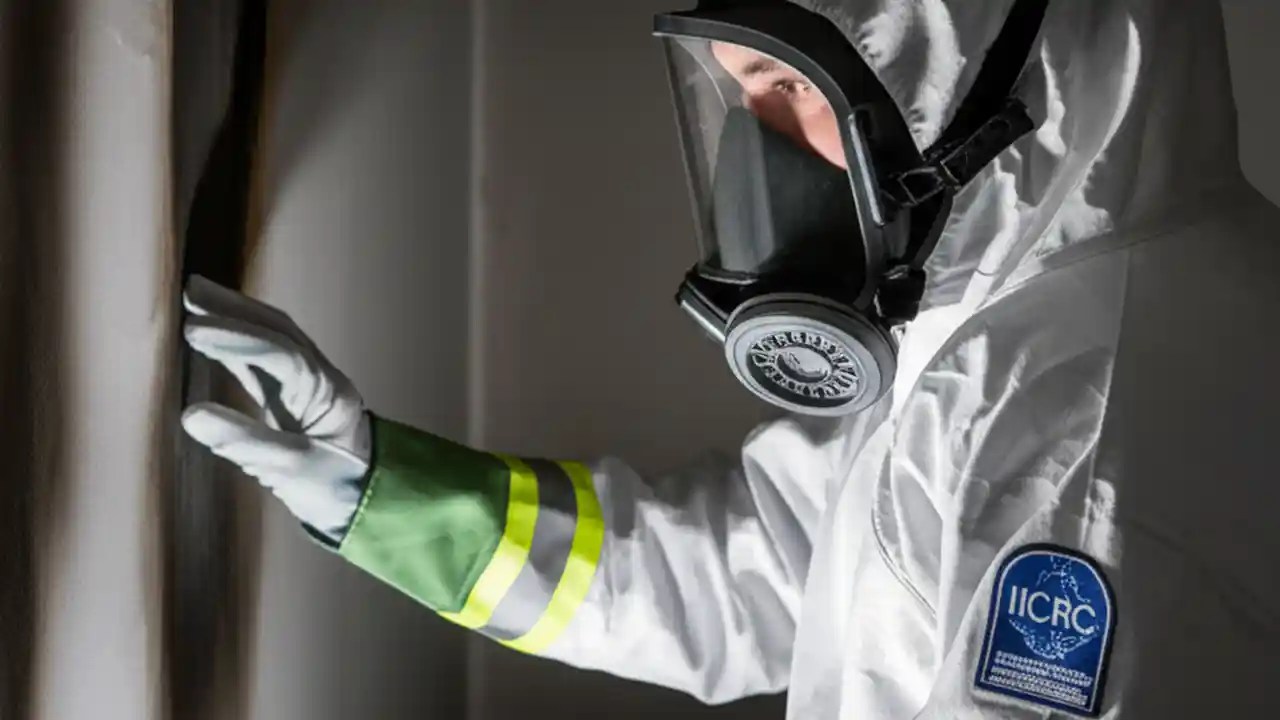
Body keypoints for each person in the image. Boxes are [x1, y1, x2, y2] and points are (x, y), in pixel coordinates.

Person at [181, 0, 1280, 717]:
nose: (756, 147)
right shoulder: (1008, 317)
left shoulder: (1087, 419)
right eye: (737, 91)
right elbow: (757, 574)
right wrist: (392, 495)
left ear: (1002, 81)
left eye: (785, 87)